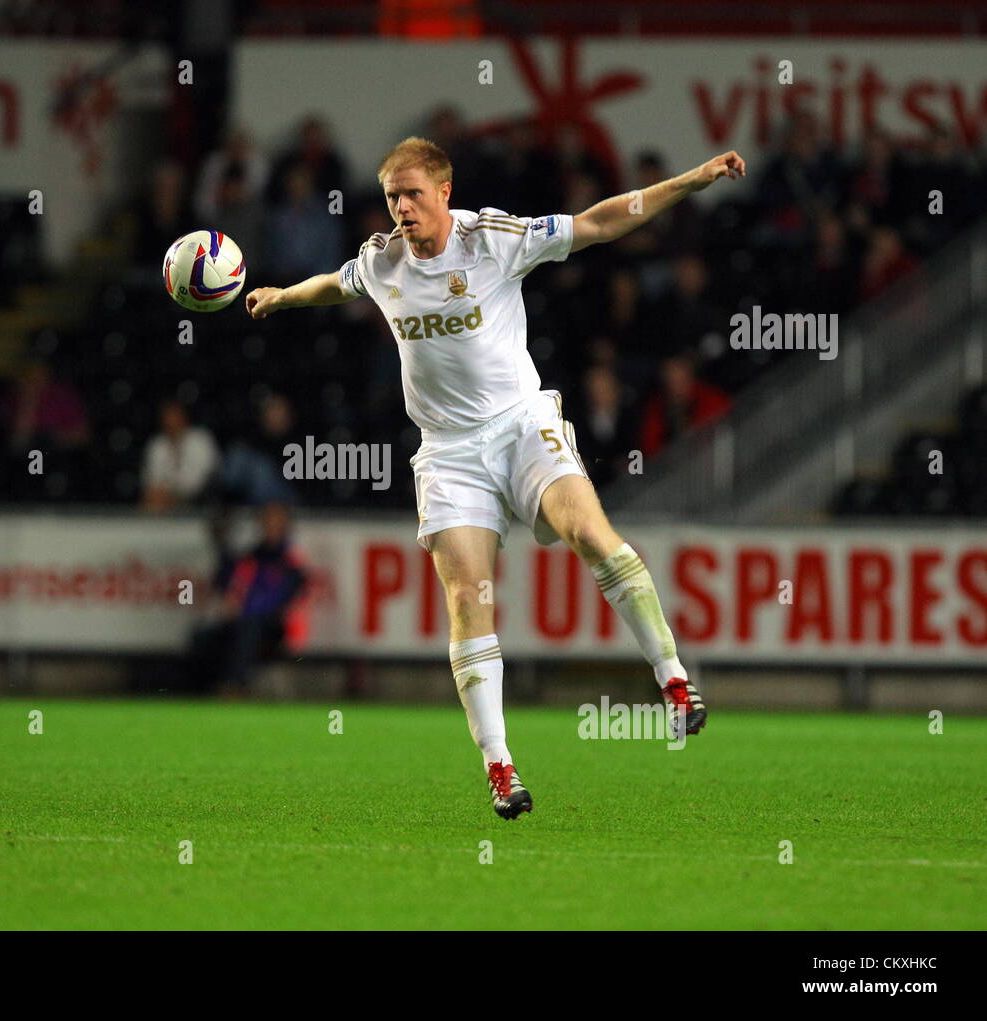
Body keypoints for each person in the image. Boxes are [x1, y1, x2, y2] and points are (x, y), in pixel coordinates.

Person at [245, 136, 743, 819]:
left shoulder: (492, 238)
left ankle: (675, 681)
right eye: (392, 196)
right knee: (467, 598)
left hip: (519, 426)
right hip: (449, 454)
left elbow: (599, 221)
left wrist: (691, 180)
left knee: (593, 536)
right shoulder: (382, 259)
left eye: (413, 193)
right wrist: (281, 297)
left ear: (445, 191)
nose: (401, 208)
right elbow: (336, 284)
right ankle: (501, 766)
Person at [184, 502, 309, 696]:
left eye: (276, 522)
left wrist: (247, 609)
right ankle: (202, 690)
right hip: (243, 620)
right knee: (202, 637)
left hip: (274, 626)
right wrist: (222, 547)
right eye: (267, 521)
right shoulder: (253, 557)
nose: (270, 526)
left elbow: (283, 598)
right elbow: (226, 582)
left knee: (248, 627)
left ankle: (237, 686)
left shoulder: (290, 561)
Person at [140, 398, 220, 512]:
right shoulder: (157, 444)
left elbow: (199, 481)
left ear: (184, 417)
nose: (171, 422)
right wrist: (161, 492)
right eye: (167, 417)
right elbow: (152, 478)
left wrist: (172, 492)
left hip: (196, 498)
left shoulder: (201, 439)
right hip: (163, 497)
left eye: (174, 416)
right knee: (153, 498)